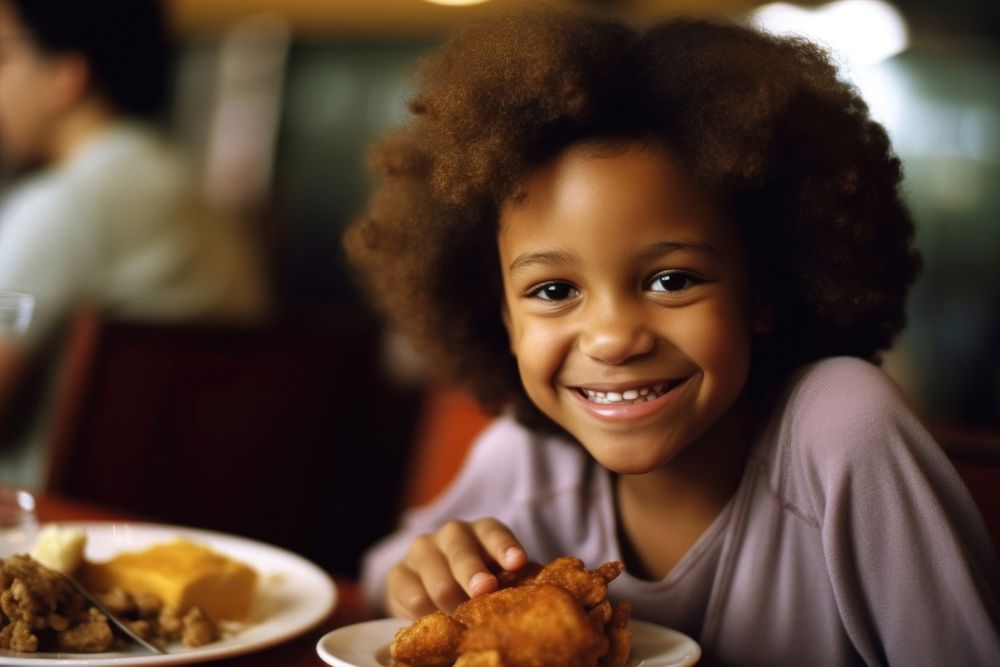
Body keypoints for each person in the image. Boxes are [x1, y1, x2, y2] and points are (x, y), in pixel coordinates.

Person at [346, 8, 1000, 665]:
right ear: (505, 322)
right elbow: (381, 586)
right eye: (553, 291)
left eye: (671, 279)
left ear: (762, 292)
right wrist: (423, 570)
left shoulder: (841, 429)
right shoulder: (526, 458)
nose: (611, 338)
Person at [0, 0, 271, 487]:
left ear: (66, 75)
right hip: (182, 526)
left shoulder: (67, 204)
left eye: (2, 59)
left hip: (42, 523)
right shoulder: (199, 197)